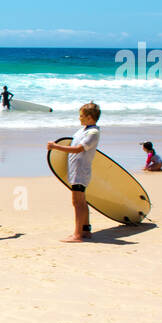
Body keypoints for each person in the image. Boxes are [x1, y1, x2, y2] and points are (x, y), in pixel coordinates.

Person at [47, 103, 102, 243]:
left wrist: (55, 147)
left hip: (80, 171)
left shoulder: (93, 133)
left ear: (90, 118)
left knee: (78, 202)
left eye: (82, 116)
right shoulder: (84, 130)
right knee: (81, 201)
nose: (79, 118)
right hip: (75, 170)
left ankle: (77, 235)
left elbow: (78, 149)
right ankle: (85, 230)